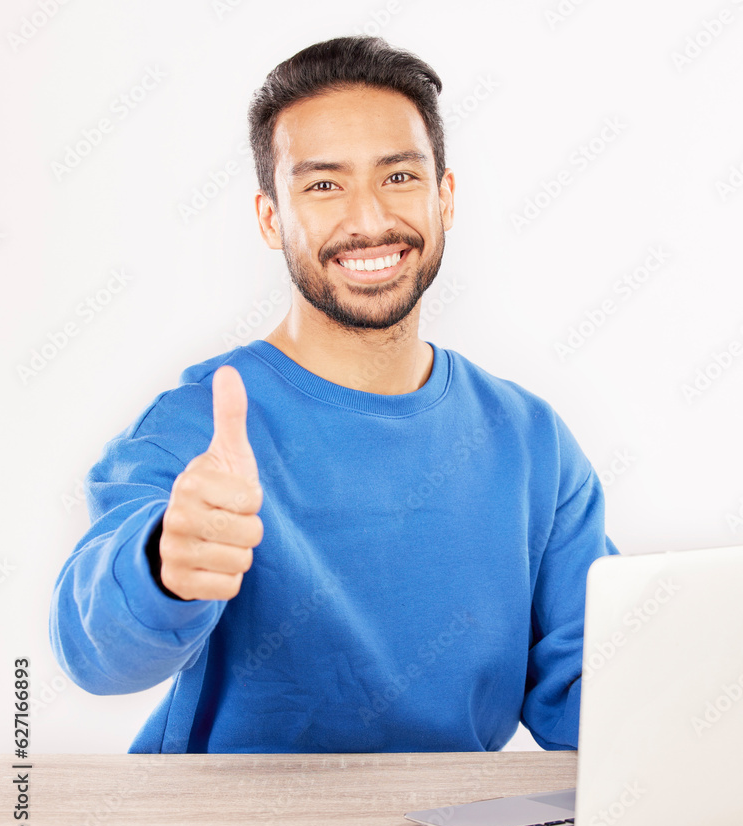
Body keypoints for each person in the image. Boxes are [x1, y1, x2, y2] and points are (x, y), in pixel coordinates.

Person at [49, 35, 618, 754]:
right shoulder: (197, 425)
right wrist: (165, 561)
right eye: (323, 185)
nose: (370, 219)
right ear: (269, 218)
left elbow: (592, 696)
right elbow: (92, 652)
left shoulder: (532, 440)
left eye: (400, 177)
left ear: (445, 197)